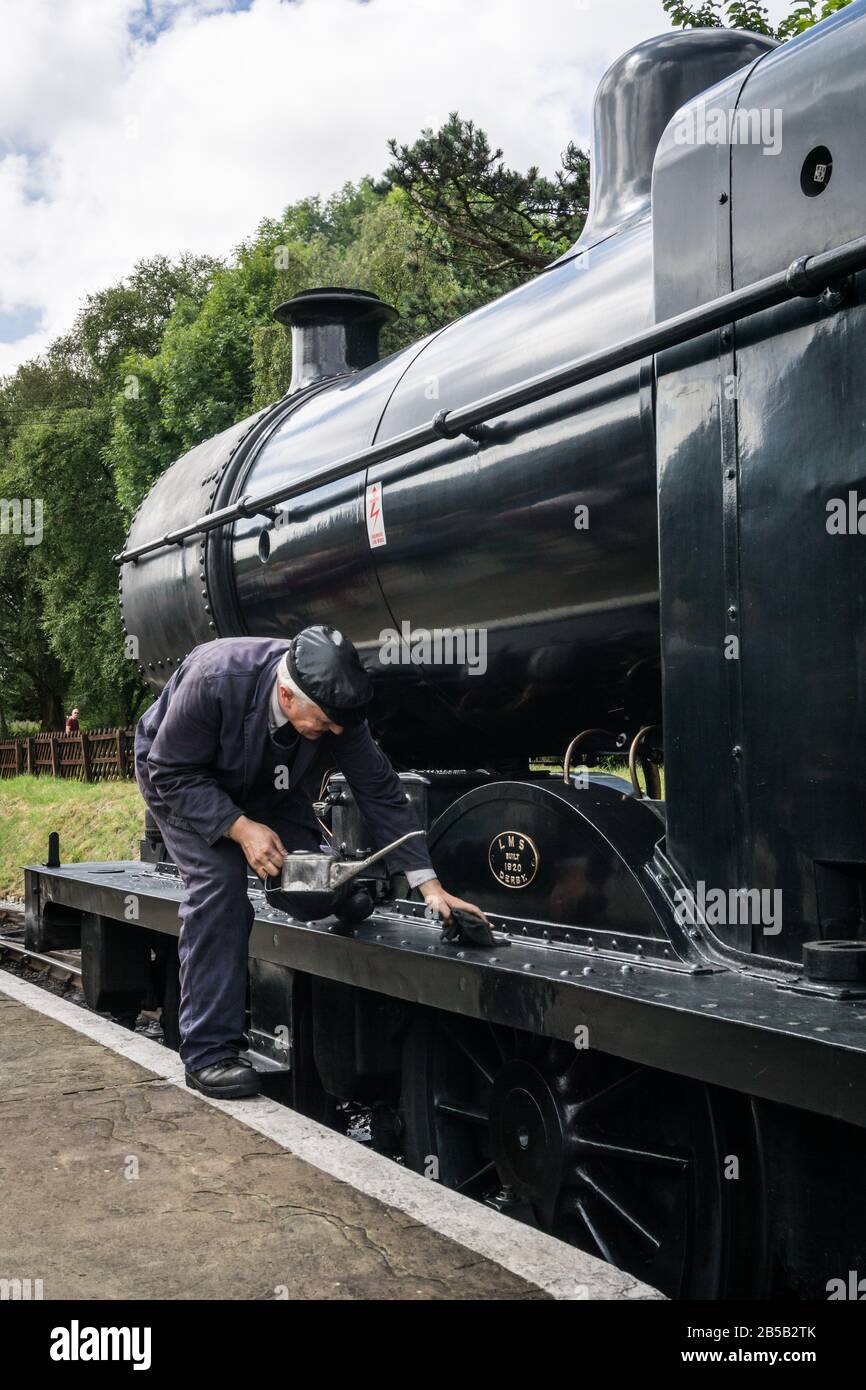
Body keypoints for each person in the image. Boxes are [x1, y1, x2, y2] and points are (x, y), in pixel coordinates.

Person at [134, 626, 488, 1099]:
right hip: (183, 782)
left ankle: (340, 896)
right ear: (286, 693)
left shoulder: (335, 710)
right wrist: (239, 828)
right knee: (220, 892)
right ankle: (209, 1053)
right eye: (321, 724)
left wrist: (429, 886)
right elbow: (169, 769)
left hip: (270, 787)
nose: (331, 734)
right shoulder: (216, 677)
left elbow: (380, 792)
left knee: (306, 878)